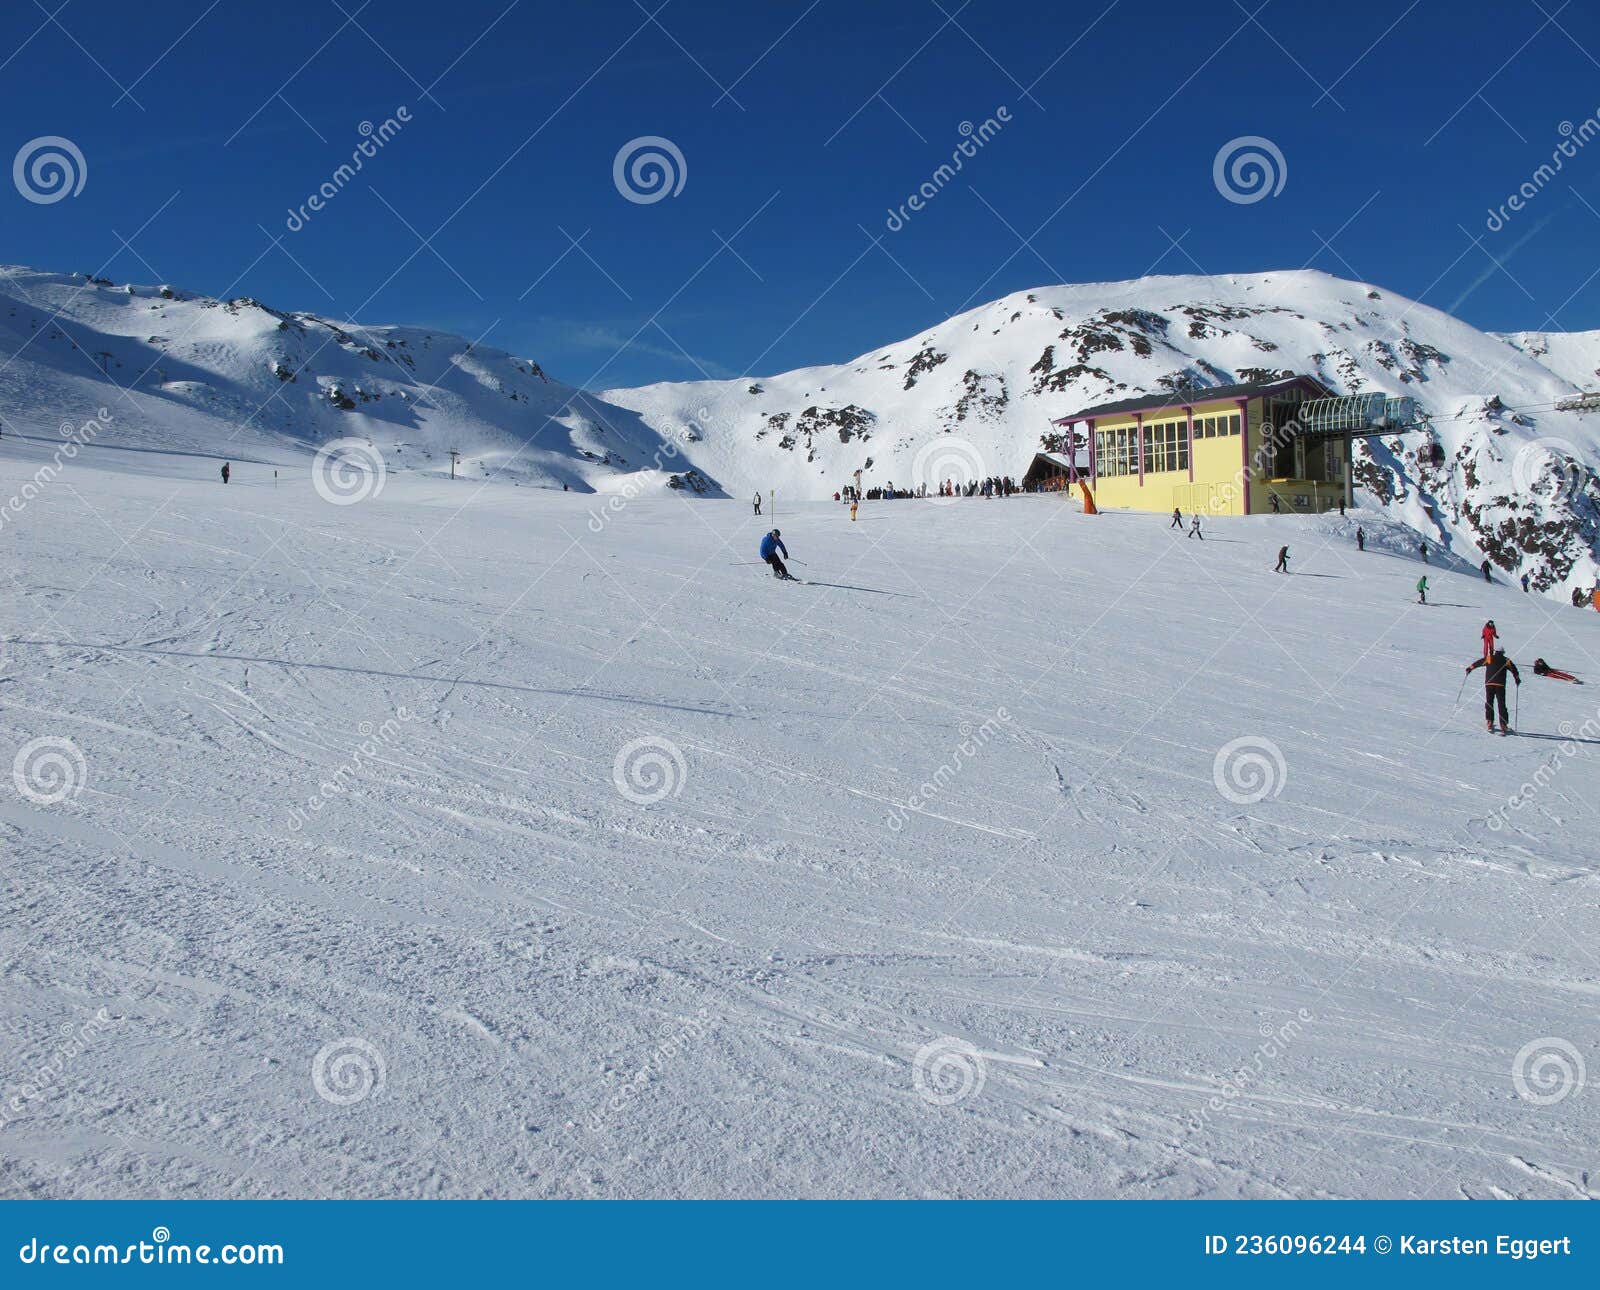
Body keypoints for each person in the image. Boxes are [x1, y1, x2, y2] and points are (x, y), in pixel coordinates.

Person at [1466, 648, 1520, 734]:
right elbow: (1514, 670)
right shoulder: (1506, 660)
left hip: (1489, 684)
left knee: (1489, 702)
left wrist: (1470, 668)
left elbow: (1479, 663)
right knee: (1501, 704)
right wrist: (1517, 679)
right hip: (1500, 685)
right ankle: (1503, 725)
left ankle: (1490, 722)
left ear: (1496, 652)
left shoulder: (1489, 658)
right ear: (1502, 653)